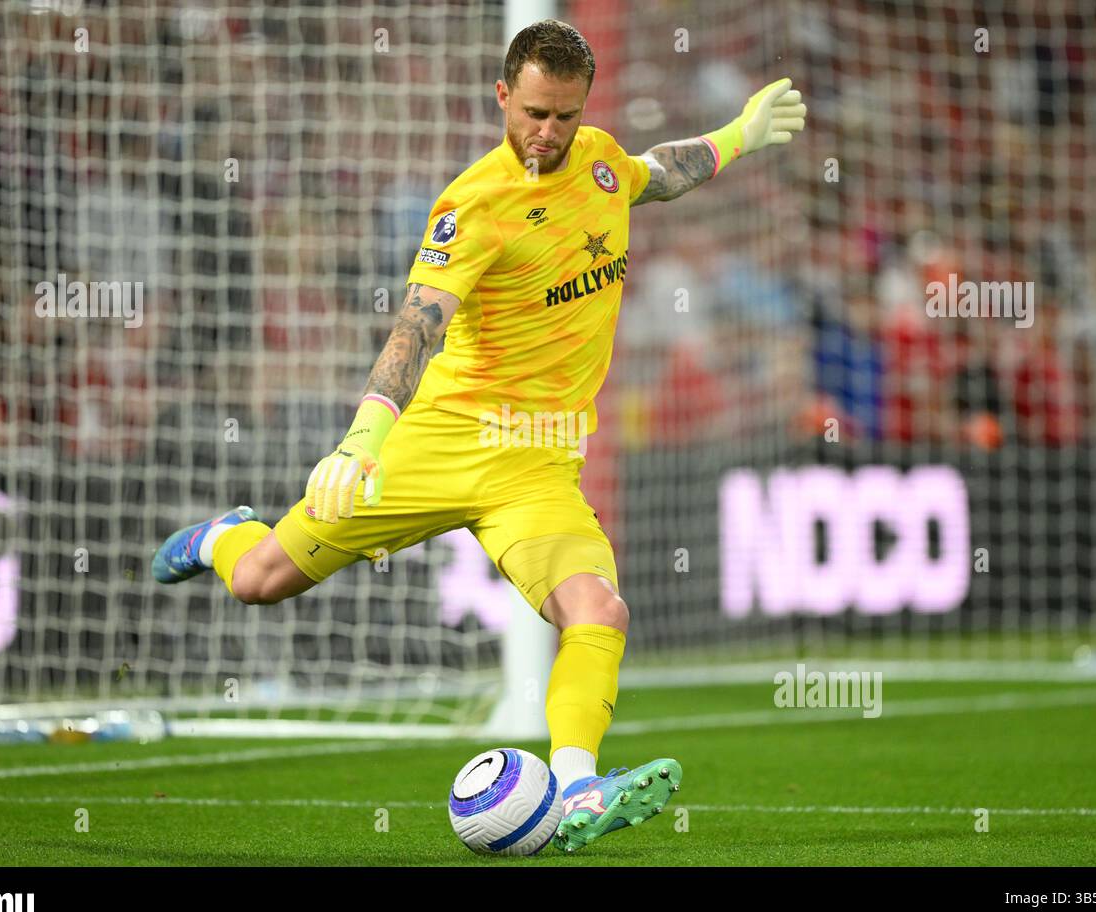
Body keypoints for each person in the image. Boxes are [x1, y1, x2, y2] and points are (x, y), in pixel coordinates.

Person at [152, 18, 805, 852]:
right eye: (534, 113)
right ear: (502, 96)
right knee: (259, 580)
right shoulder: (473, 204)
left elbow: (658, 173)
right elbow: (416, 328)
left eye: (565, 115)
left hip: (537, 467)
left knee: (598, 608)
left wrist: (740, 135)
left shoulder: (599, 162)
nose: (548, 132)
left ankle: (577, 788)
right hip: (439, 443)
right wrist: (360, 441)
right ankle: (220, 536)